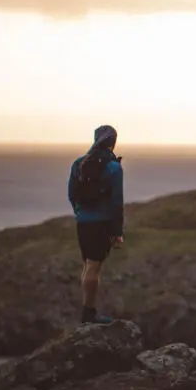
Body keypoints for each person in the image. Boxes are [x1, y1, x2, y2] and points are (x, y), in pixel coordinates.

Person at [67, 125, 125, 325]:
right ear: (112, 142)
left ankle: (88, 310)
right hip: (102, 223)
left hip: (83, 222)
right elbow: (117, 202)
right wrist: (117, 232)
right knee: (94, 266)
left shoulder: (78, 163)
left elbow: (71, 194)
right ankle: (88, 314)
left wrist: (79, 213)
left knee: (88, 265)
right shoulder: (113, 167)